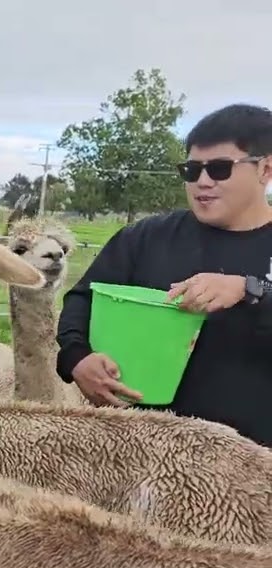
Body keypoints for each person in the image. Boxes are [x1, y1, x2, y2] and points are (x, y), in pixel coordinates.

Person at [56, 102, 272, 446]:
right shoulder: (143, 238)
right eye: (191, 170)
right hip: (142, 452)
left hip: (255, 463)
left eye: (219, 169)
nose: (202, 182)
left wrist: (251, 290)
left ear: (265, 169)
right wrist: (77, 358)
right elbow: (83, 299)